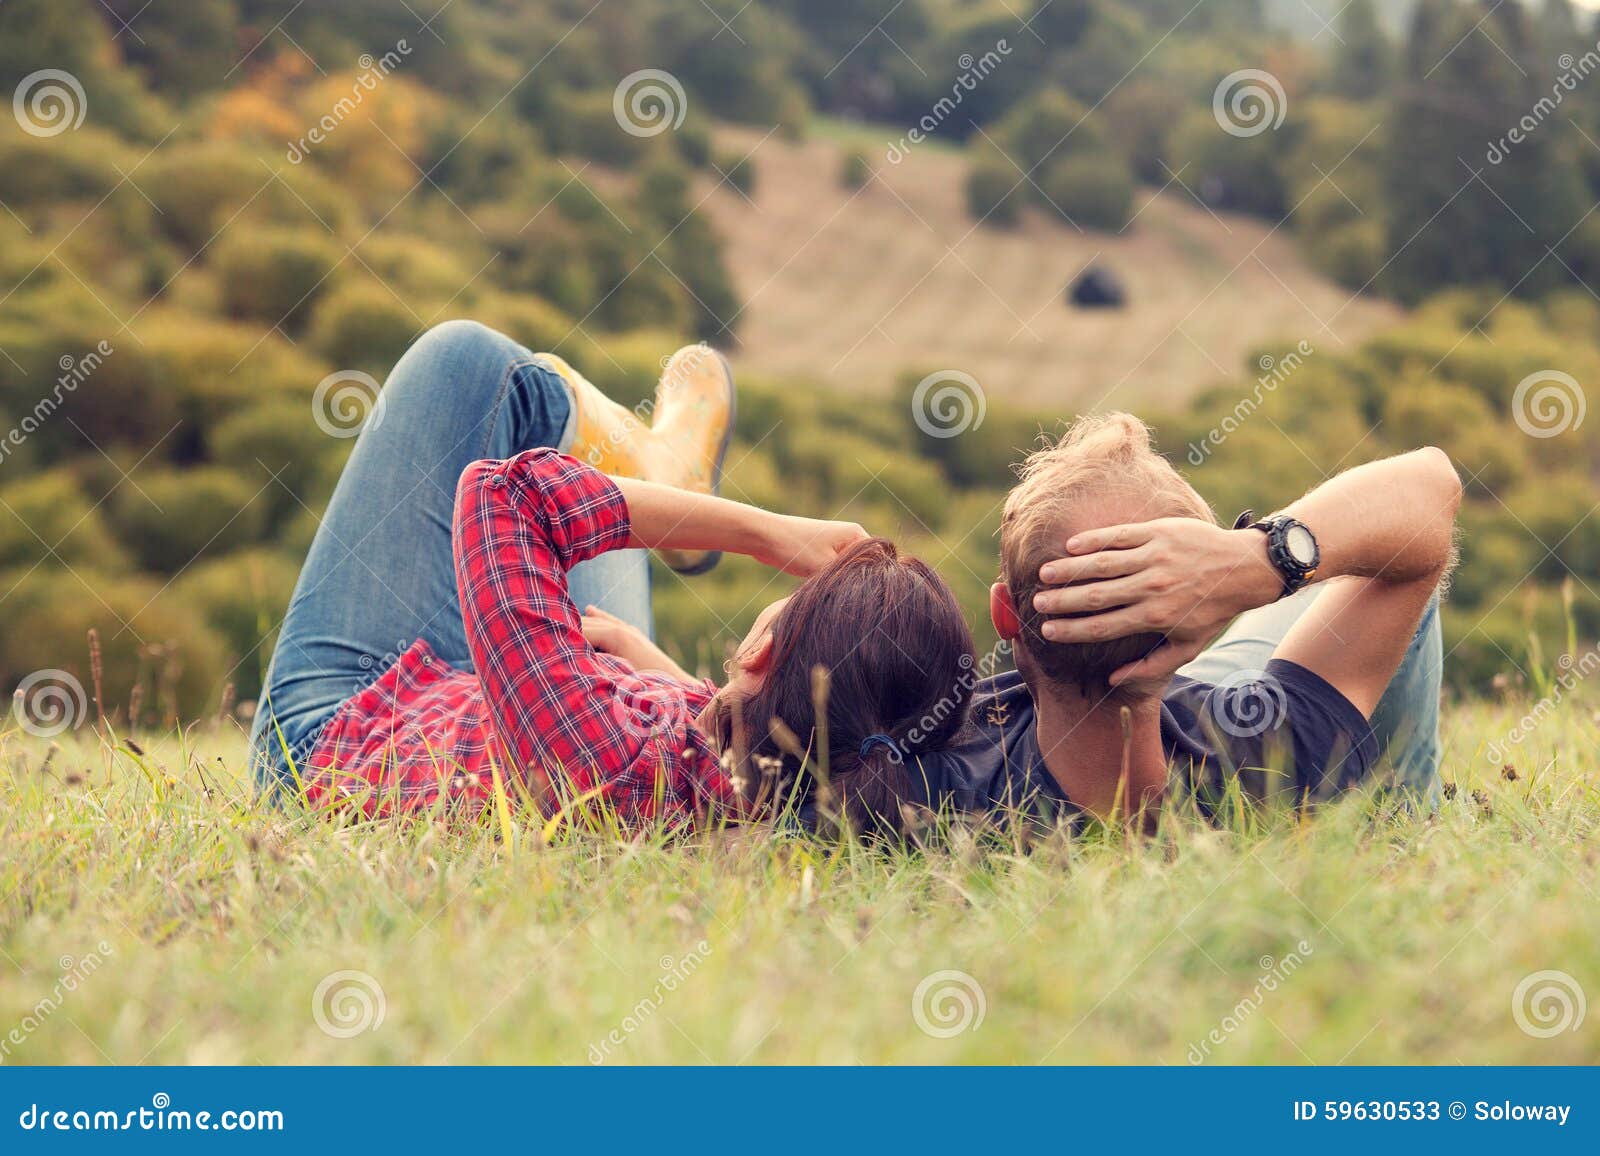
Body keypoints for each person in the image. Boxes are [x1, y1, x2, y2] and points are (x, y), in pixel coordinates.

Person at [250, 321, 976, 832]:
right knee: (608, 516)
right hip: (528, 706)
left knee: (481, 370)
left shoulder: (608, 763)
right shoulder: (775, 786)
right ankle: (653, 472)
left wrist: (766, 532)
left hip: (335, 738)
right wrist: (646, 660)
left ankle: (661, 470)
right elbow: (723, 729)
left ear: (760, 653)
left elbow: (507, 494)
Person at [913, 413, 1460, 826]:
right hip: (1220, 700)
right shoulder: (1270, 754)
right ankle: (1410, 823)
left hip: (1203, 692)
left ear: (1003, 614)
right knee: (1367, 569)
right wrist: (1259, 561)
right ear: (1198, 624)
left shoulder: (931, 784)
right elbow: (1428, 492)